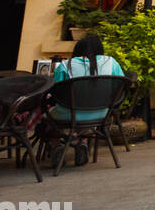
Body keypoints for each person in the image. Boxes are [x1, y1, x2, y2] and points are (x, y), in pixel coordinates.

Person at [41, 34, 125, 167]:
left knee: (46, 118)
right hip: (102, 113)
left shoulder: (65, 65)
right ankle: (83, 142)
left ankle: (57, 145)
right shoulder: (111, 62)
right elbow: (120, 86)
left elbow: (55, 92)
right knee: (86, 115)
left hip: (69, 113)